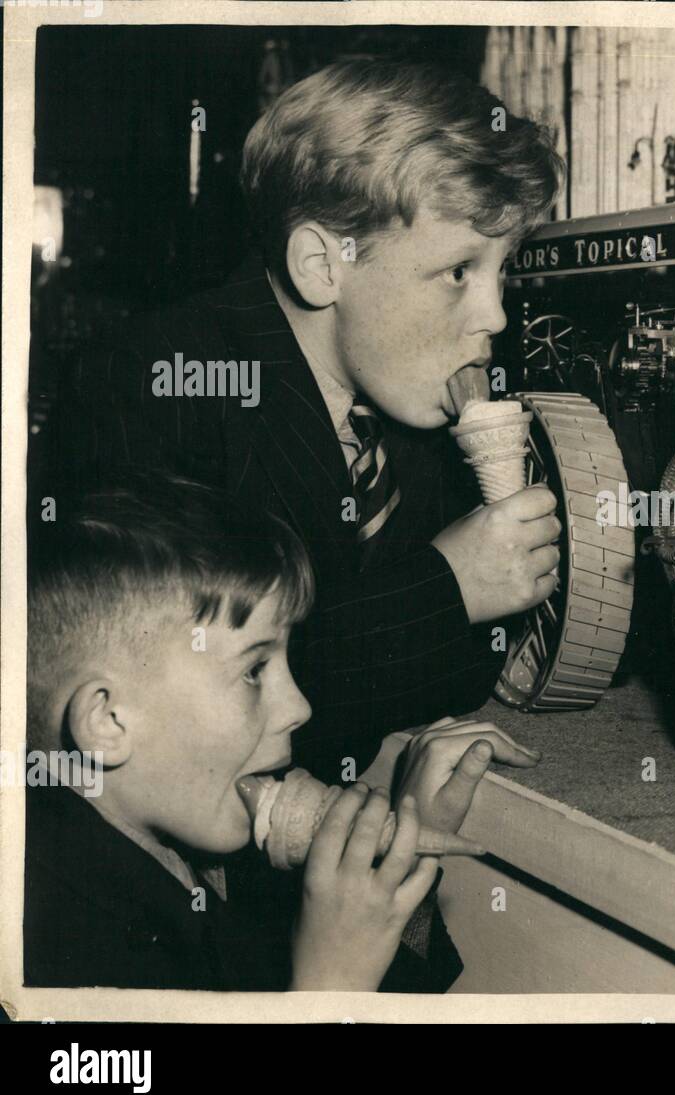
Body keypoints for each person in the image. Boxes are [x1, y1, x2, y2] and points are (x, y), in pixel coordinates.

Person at [47, 59, 565, 785]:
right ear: (322, 264)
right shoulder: (149, 382)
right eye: (458, 272)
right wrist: (448, 587)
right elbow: (187, 696)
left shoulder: (406, 408)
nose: (496, 315)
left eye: (504, 269)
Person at [24, 473, 538, 991]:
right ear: (108, 722)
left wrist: (401, 859)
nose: (300, 707)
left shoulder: (214, 854)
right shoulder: (62, 950)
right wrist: (328, 984)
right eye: (253, 670)